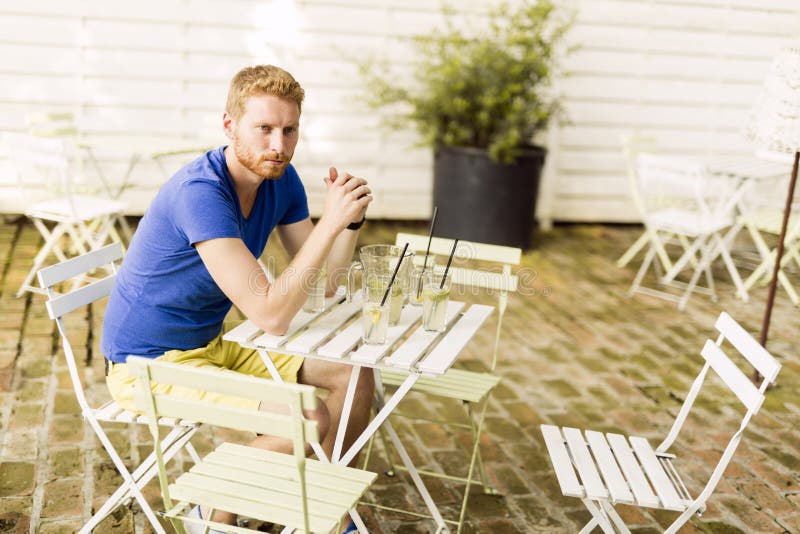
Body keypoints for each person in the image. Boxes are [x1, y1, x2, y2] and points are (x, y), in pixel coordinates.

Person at [100, 64, 373, 532]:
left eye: (289, 130)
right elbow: (271, 314)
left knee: (355, 374)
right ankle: (211, 503)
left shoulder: (280, 179)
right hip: (145, 363)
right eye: (263, 128)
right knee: (307, 416)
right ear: (229, 125)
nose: (278, 145)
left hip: (210, 348)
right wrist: (327, 223)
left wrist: (346, 223)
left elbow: (324, 284)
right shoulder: (200, 193)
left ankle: (320, 506)